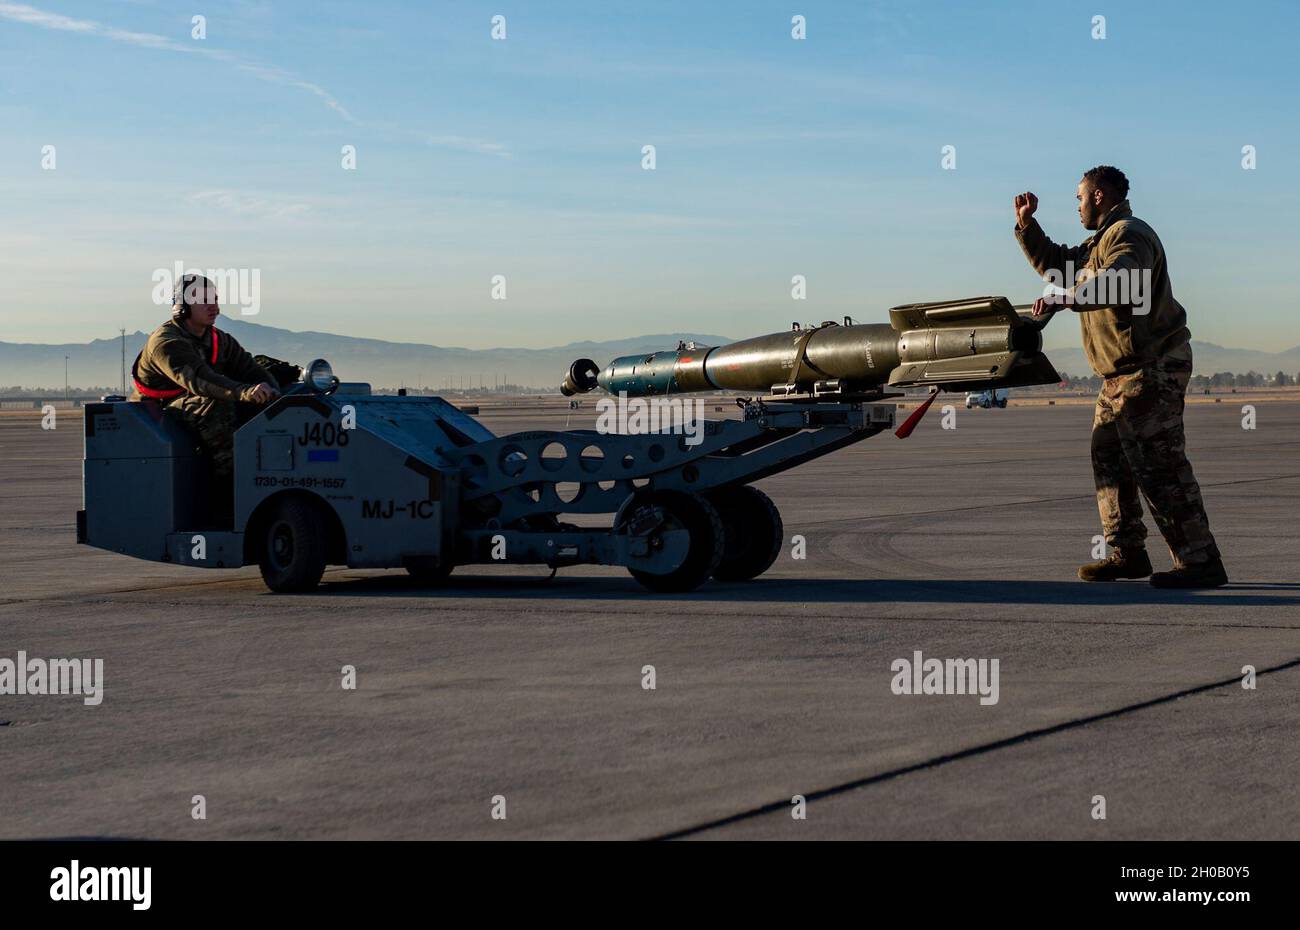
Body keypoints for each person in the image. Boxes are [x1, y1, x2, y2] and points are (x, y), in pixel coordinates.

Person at [1013, 166, 1226, 588]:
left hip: (1151, 368)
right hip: (1118, 377)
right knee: (1109, 459)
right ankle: (1127, 553)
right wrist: (1027, 227)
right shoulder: (1098, 245)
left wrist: (1068, 298)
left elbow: (1123, 282)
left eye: (1079, 198)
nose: (1075, 206)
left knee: (1158, 463)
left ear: (1098, 196)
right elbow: (1059, 265)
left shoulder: (1129, 234)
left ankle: (1200, 560)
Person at [131, 274, 280, 524]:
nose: (214, 307)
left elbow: (250, 369)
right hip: (159, 413)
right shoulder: (166, 342)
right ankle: (225, 499)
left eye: (215, 299)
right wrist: (245, 392)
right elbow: (200, 381)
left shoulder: (218, 340)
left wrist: (276, 395)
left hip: (195, 401)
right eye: (203, 300)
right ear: (183, 306)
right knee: (215, 406)